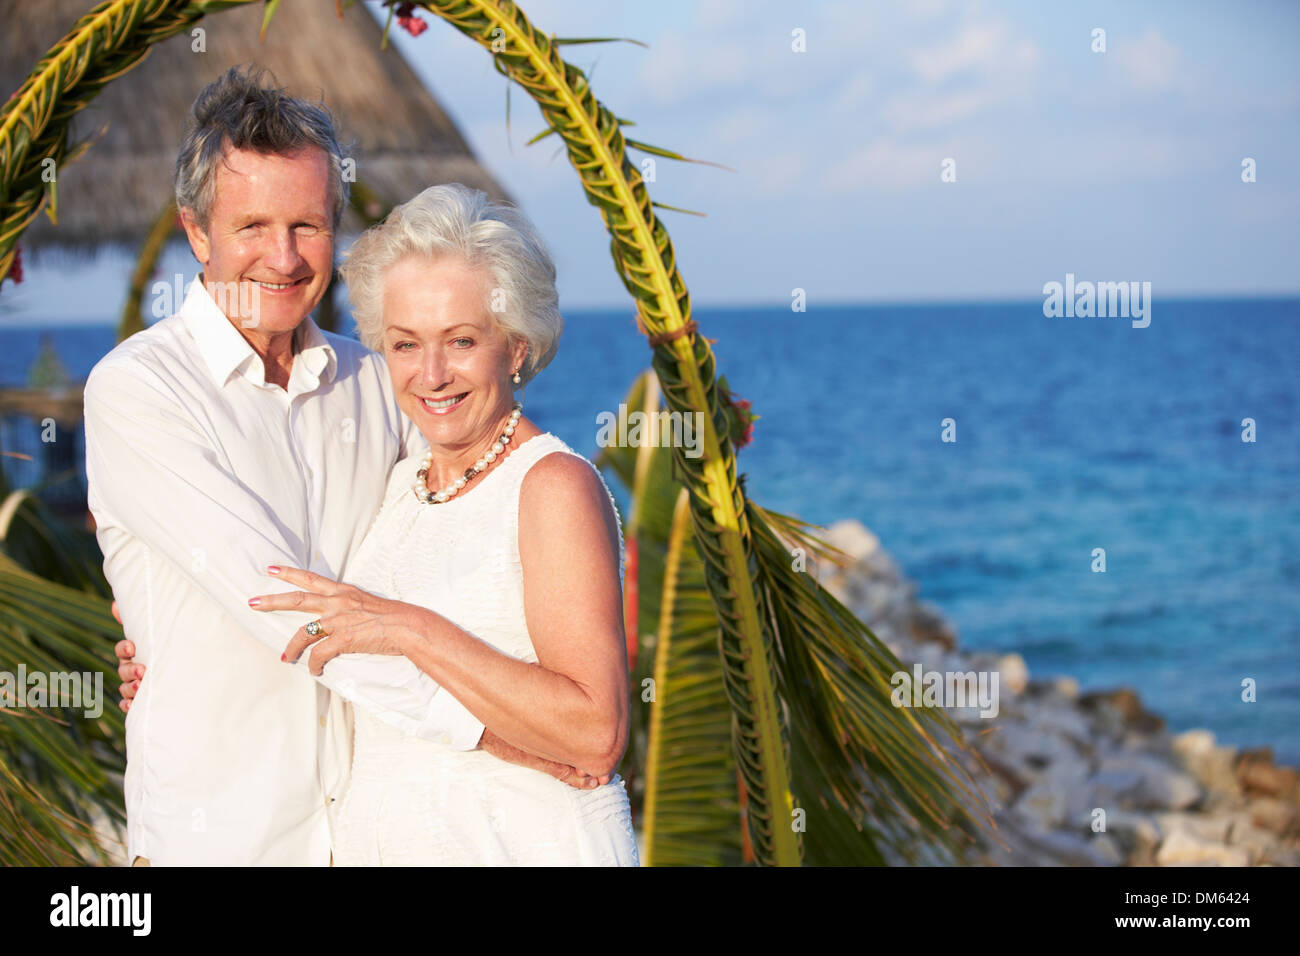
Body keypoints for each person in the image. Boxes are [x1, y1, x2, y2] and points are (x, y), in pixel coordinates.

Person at [93, 67, 602, 867]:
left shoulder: (378, 380)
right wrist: (508, 741)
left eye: (308, 224)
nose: (284, 258)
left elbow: (468, 523)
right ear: (197, 232)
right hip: (225, 843)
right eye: (253, 225)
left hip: (368, 840)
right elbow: (281, 605)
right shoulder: (140, 390)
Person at [246, 183, 638, 865]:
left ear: (515, 347)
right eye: (404, 345)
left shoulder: (550, 487)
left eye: (461, 341)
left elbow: (595, 730)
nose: (431, 375)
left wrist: (410, 628)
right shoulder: (401, 483)